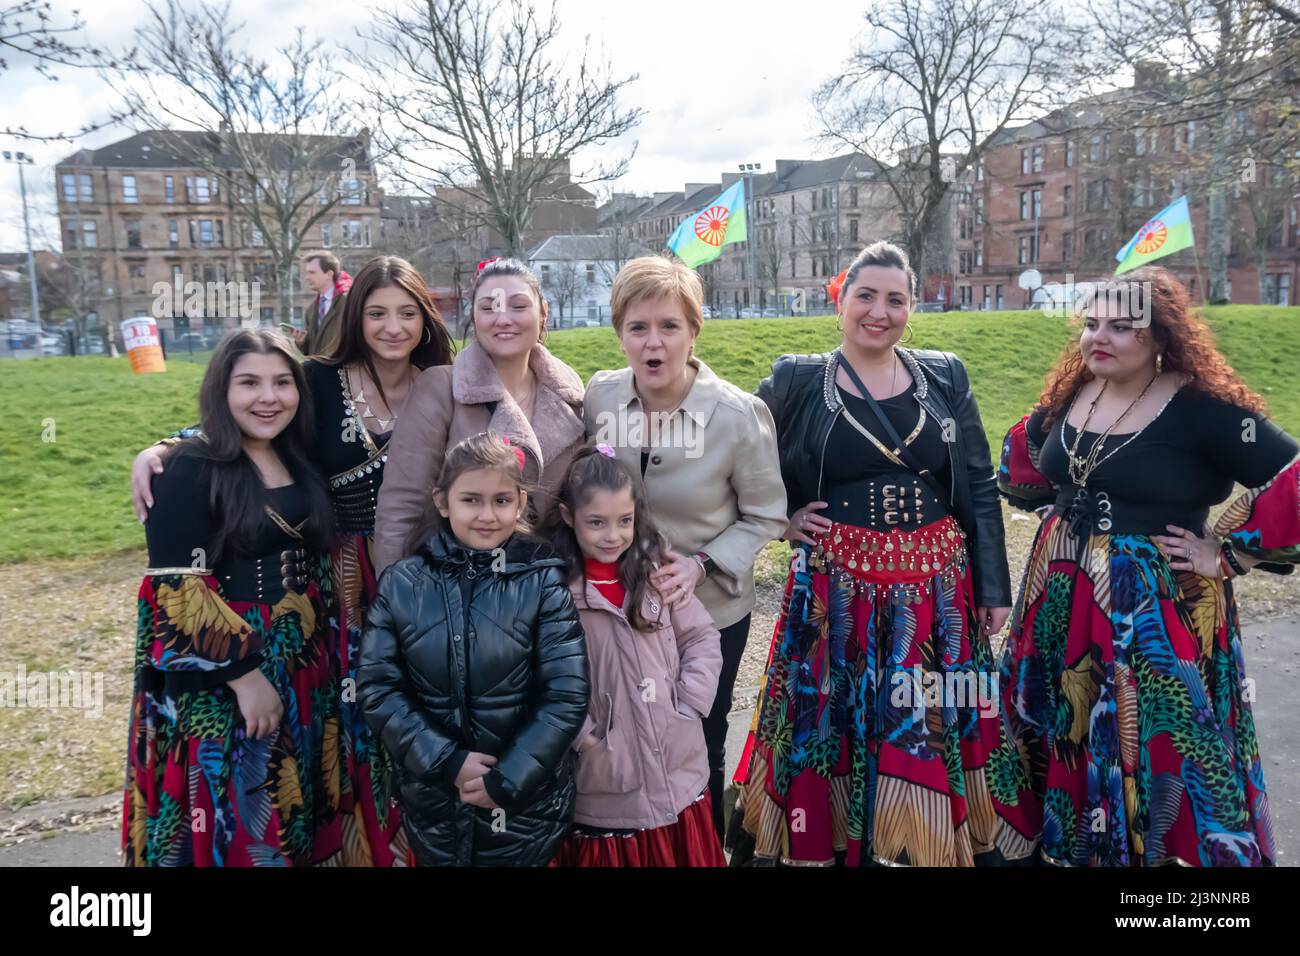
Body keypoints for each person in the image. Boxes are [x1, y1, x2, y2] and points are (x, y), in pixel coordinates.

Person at [129, 255, 457, 866]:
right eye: (377, 312)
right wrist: (168, 446)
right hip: (340, 584)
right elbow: (247, 415)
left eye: (408, 313)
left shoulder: (447, 380)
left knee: (376, 726)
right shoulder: (317, 381)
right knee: (303, 750)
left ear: (426, 319)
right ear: (354, 317)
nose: (392, 326)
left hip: (411, 577)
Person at [992, 266, 1299, 867]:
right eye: (1090, 323)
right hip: (1059, 593)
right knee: (1059, 724)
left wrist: (1232, 552)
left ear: (1161, 337)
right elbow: (1027, 465)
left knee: (1158, 737)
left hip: (1154, 605)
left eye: (1122, 327)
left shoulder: (1203, 407)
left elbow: (1293, 475)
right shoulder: (1076, 390)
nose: (1098, 337)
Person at [730, 240, 1017, 866]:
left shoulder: (946, 375)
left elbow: (979, 483)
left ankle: (927, 838)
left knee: (930, 713)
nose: (879, 312)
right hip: (836, 595)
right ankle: (836, 838)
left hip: (937, 594)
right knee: (836, 715)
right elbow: (738, 460)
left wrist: (994, 588)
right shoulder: (795, 380)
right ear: (841, 299)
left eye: (896, 299)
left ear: (912, 306)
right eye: (866, 295)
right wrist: (781, 522)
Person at [582, 255, 788, 841]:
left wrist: (700, 565)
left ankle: (702, 848)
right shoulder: (600, 399)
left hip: (710, 614)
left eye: (669, 327)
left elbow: (767, 514)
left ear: (694, 331)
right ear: (619, 332)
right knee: (620, 732)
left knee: (698, 735)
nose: (654, 344)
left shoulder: (738, 416)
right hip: (617, 615)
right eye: (638, 328)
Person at [123, 329, 339, 866]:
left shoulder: (297, 454)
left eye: (282, 383)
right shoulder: (190, 469)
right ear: (222, 390)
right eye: (249, 383)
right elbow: (175, 590)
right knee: (237, 815)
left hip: (302, 661)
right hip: (226, 673)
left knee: (289, 814)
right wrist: (244, 679)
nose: (268, 397)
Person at [358, 432, 589, 866]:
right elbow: (378, 688)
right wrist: (447, 761)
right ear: (443, 502)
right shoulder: (403, 583)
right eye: (471, 500)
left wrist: (507, 778)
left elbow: (566, 694)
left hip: (526, 807)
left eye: (502, 500)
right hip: (435, 803)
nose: (487, 515)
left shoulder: (542, 583)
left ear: (521, 503)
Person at [545, 444, 726, 866]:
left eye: (624, 521)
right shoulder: (554, 595)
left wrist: (691, 701)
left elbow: (700, 637)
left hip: (678, 766)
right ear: (569, 517)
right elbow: (543, 677)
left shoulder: (655, 574)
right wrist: (584, 736)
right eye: (596, 523)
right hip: (607, 782)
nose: (613, 536)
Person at [373, 258, 586, 573]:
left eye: (518, 306)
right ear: (473, 317)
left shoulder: (570, 391)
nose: (503, 319)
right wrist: (394, 599)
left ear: (543, 313)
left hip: (554, 591)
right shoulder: (442, 387)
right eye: (488, 308)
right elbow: (402, 506)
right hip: (460, 588)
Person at [296, 250, 352, 357]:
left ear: (329, 274)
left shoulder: (348, 302)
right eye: (306, 273)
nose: (306, 277)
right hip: (317, 371)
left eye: (312, 272)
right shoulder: (310, 310)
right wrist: (301, 343)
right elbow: (310, 350)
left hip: (342, 371)